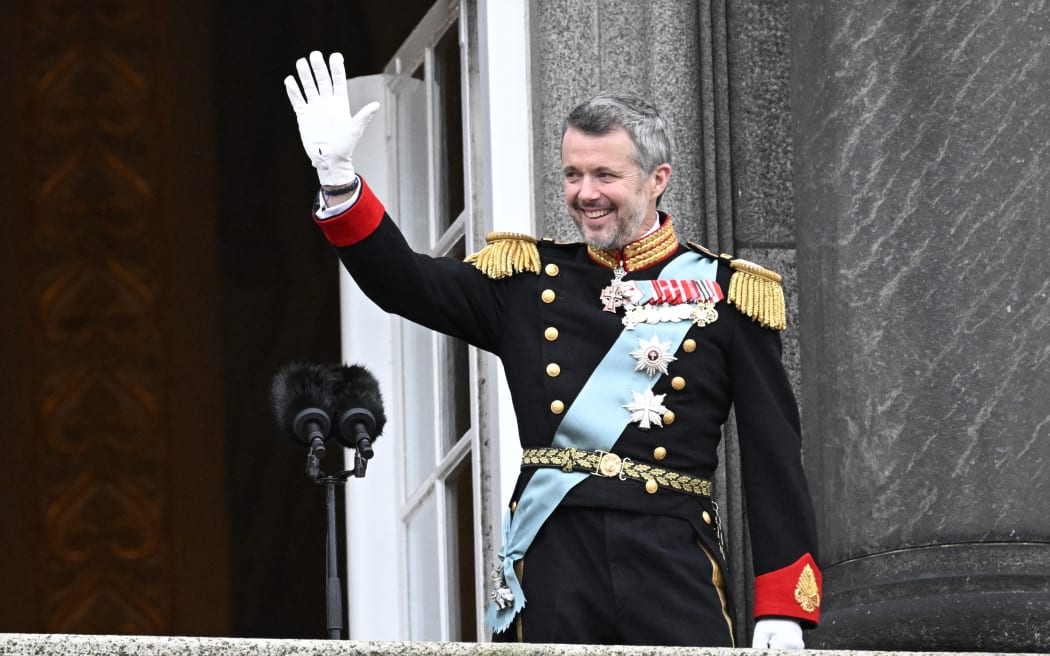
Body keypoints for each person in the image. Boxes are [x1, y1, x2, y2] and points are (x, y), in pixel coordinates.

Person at [284, 50, 822, 647]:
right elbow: (403, 283)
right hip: (556, 559)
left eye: (605, 176)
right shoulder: (526, 282)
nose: (585, 193)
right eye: (572, 174)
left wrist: (783, 604)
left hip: (670, 557)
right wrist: (339, 180)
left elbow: (774, 457)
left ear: (657, 179)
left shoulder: (726, 295)